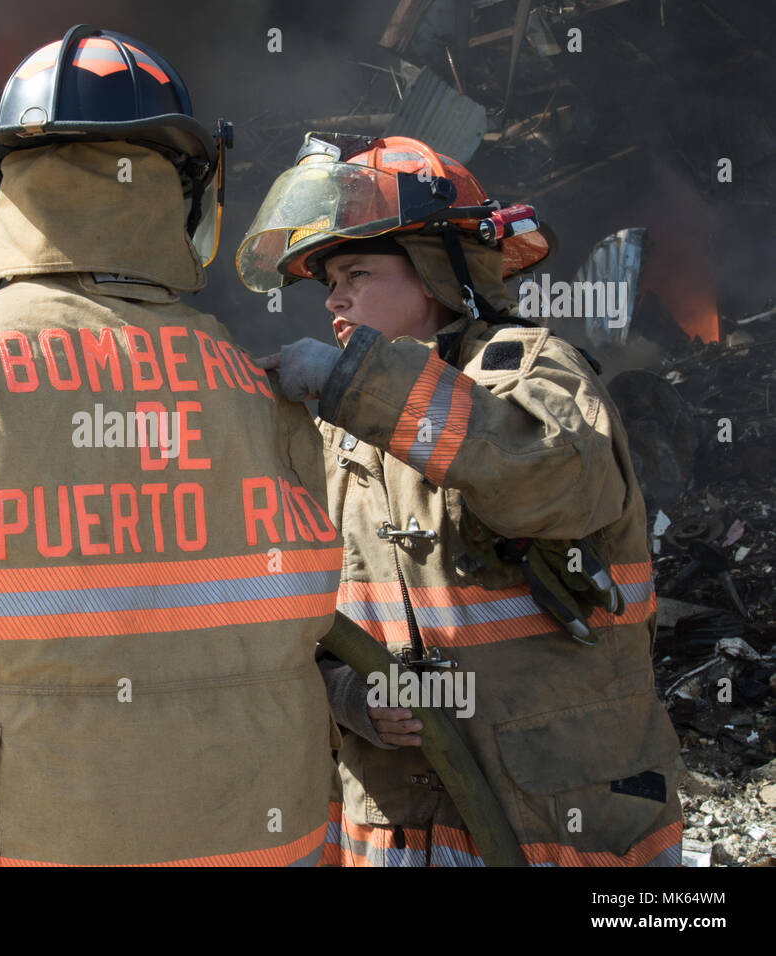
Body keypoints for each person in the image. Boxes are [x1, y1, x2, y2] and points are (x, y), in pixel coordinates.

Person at [0, 26, 344, 866]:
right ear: (186, 192)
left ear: (8, 186)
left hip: (43, 831)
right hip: (263, 827)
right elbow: (313, 599)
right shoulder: (253, 381)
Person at [240, 133, 684, 866]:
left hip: (560, 817)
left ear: (436, 272)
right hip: (396, 825)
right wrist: (351, 698)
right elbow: (288, 612)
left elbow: (550, 481)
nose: (336, 298)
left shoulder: (534, 374)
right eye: (328, 284)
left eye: (357, 271)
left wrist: (359, 384)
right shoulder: (337, 435)